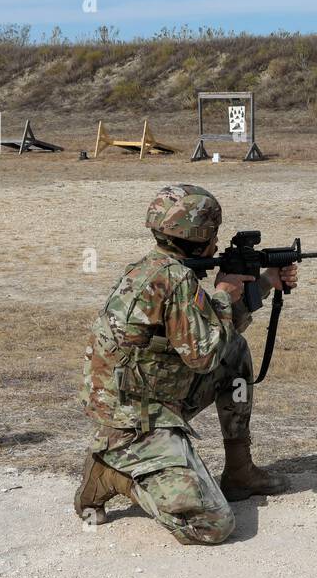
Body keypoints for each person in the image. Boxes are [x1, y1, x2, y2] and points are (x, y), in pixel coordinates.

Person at [75, 184, 298, 544]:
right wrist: (224, 293)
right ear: (198, 236)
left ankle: (239, 470)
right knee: (211, 525)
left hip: (150, 396)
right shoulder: (176, 280)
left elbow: (213, 338)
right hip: (137, 419)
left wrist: (266, 283)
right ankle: (114, 474)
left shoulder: (158, 268)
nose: (216, 243)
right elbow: (204, 354)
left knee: (235, 352)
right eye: (213, 234)